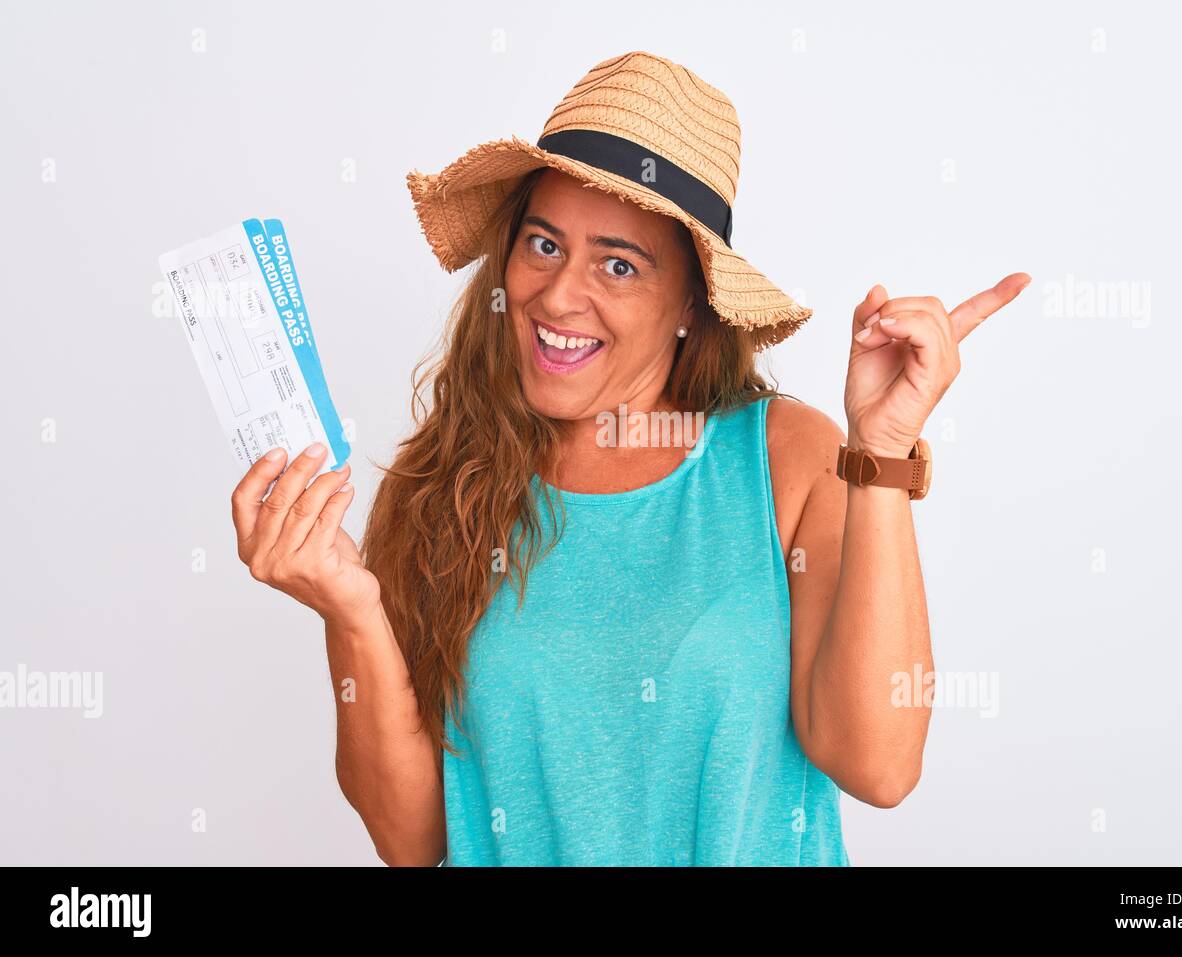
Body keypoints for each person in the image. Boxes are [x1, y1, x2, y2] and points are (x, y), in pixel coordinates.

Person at [229, 51, 1029, 866]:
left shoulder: (786, 460)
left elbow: (881, 764)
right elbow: (413, 838)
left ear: (692, 302)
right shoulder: (442, 484)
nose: (559, 294)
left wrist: (883, 455)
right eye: (543, 244)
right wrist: (349, 609)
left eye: (619, 264)